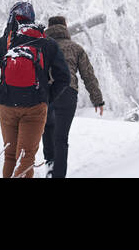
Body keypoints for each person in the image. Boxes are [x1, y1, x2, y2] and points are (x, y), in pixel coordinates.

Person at [0, 1, 70, 178]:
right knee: (26, 157)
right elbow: (64, 77)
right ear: (32, 19)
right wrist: (47, 98)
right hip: (35, 106)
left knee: (10, 156)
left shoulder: (3, 42)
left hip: (7, 106)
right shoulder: (47, 43)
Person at [41, 15, 105, 179]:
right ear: (65, 27)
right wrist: (97, 99)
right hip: (68, 94)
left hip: (46, 94)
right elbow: (88, 76)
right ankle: (58, 175)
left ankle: (50, 164)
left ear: (49, 28)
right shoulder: (76, 48)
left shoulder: (42, 47)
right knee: (61, 138)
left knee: (47, 129)